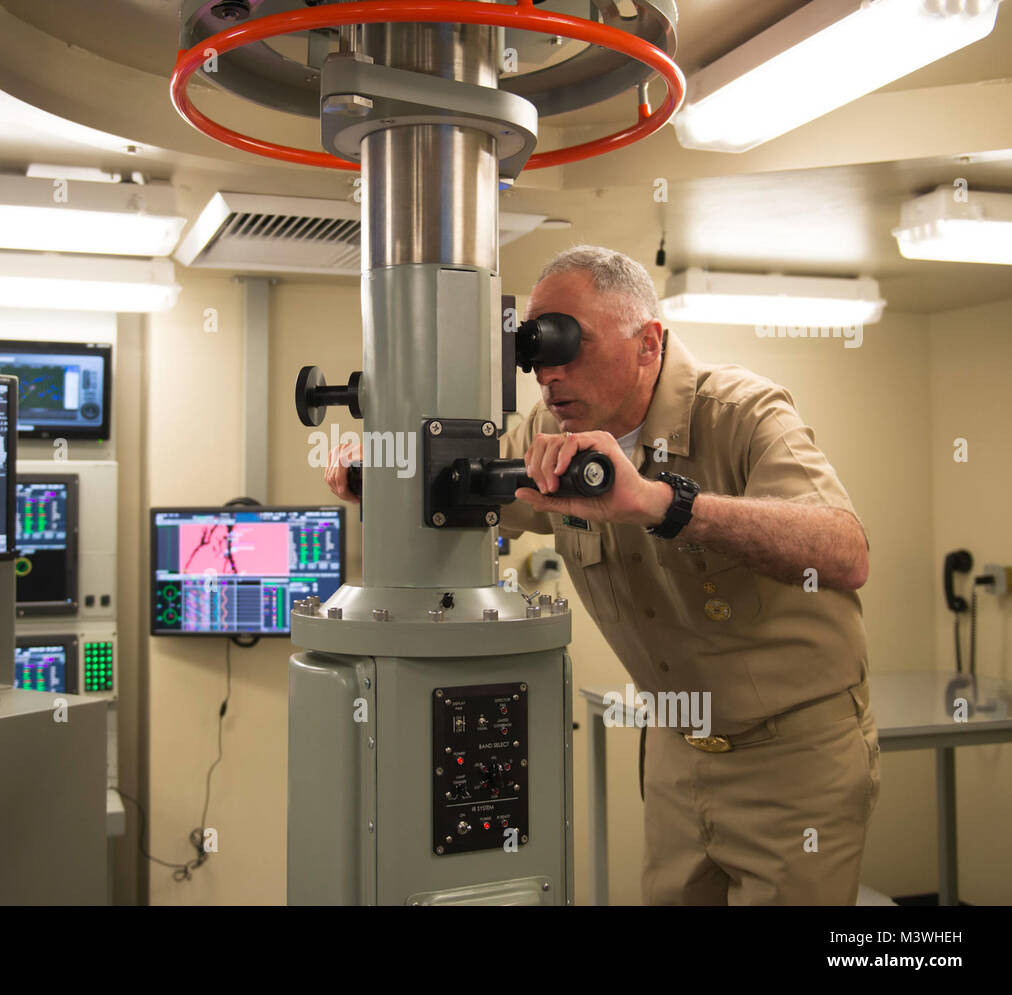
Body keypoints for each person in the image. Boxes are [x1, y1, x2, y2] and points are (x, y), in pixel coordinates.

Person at [324, 244, 881, 906]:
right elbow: (458, 499)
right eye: (533, 351)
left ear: (648, 344)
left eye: (568, 344)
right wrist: (381, 474)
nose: (547, 373)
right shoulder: (545, 431)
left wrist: (659, 502)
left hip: (794, 759)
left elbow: (846, 551)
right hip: (677, 752)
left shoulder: (741, 413)